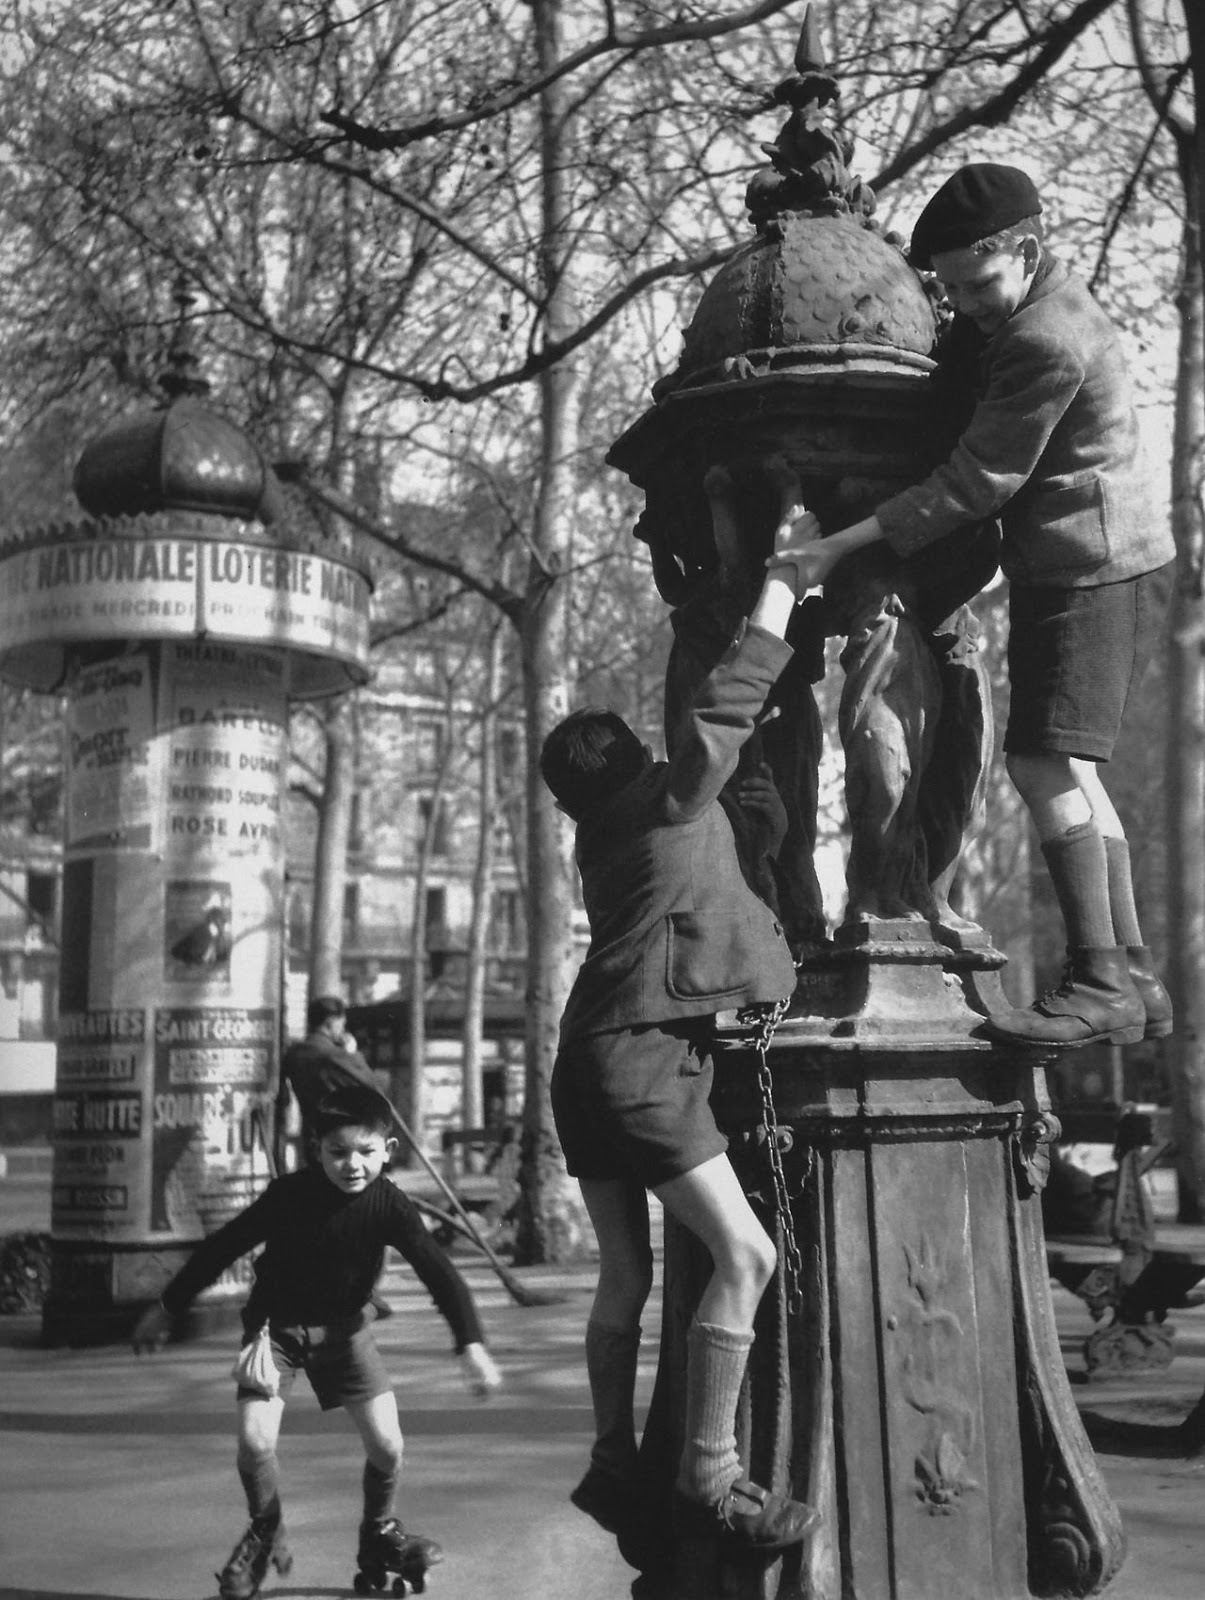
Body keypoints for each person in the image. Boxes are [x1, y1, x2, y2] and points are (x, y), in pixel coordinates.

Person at [784, 161, 1174, 1048]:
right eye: (948, 289)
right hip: (1083, 565)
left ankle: (1100, 981)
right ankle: (1131, 972)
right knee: (1069, 769)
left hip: (1086, 568)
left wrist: (838, 544)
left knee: (1042, 767)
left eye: (977, 284)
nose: (965, 305)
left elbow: (977, 482)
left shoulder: (1046, 339)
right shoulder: (1029, 309)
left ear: (1025, 250)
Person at [540, 505, 817, 1555]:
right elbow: (729, 701)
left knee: (625, 1275)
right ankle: (713, 1479)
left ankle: (613, 1462)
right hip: (645, 1059)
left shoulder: (600, 844)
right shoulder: (665, 803)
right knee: (742, 1256)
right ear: (635, 766)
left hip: (584, 1059)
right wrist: (780, 583)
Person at [132, 1084, 501, 1600]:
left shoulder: (389, 1204)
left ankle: (379, 1532)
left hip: (346, 1332)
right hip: (275, 1333)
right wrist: (169, 1307)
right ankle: (264, 1531)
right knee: (255, 1441)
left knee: (388, 1446)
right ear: (316, 1150)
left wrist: (471, 1344)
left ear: (388, 1150)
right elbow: (225, 1245)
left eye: (367, 1152)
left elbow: (440, 1273)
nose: (353, 1165)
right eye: (338, 1152)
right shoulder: (290, 1196)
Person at [276, 995, 398, 1315]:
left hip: (315, 1148)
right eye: (341, 1022)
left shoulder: (295, 1055)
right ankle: (361, 1292)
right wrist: (353, 1052)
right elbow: (372, 1085)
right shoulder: (332, 1055)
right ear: (333, 1023)